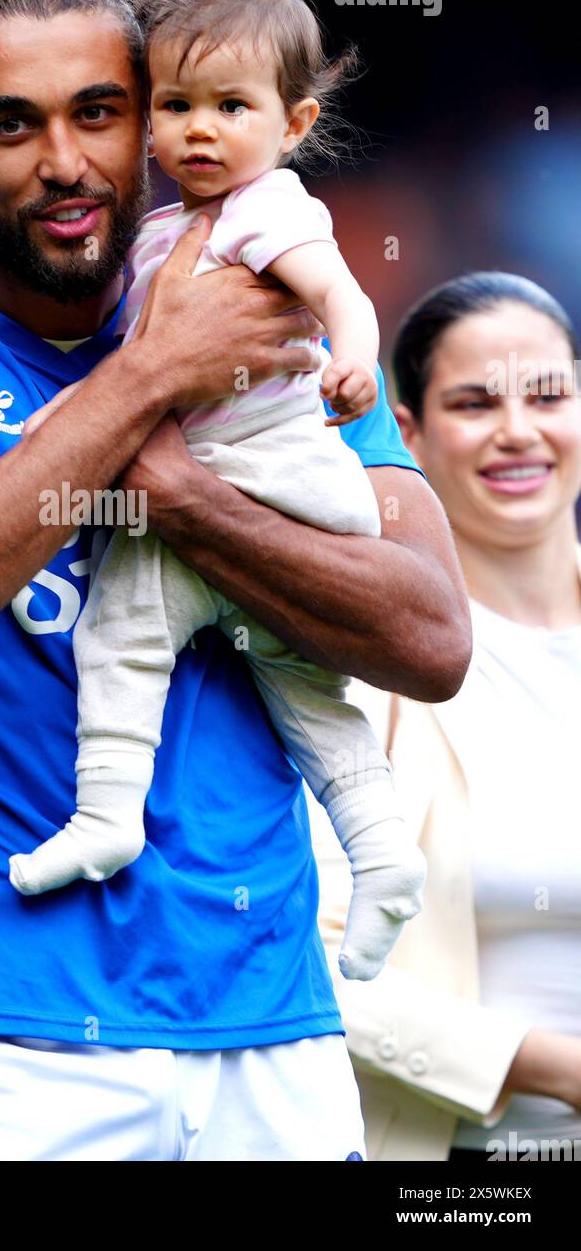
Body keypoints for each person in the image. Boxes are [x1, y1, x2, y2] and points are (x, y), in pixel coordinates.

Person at [0, 0, 470, 1162]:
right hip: (8, 1041)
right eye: (10, 125)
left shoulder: (272, 295)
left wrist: (180, 496)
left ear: (151, 117)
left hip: (274, 1026)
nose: (65, 161)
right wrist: (151, 377)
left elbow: (427, 636)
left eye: (99, 112)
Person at [7, 0, 427, 984]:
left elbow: (340, 290)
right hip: (252, 485)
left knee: (117, 626)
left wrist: (351, 355)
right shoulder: (158, 232)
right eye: (174, 105)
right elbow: (140, 370)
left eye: (230, 106)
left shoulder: (264, 209)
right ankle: (382, 855)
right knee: (305, 694)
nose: (198, 130)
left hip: (259, 480)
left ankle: (107, 812)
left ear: (293, 123)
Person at [310, 272, 581, 1160]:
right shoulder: (362, 663)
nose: (518, 431)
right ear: (410, 431)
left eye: (548, 395)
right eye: (474, 402)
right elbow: (304, 960)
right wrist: (555, 1070)